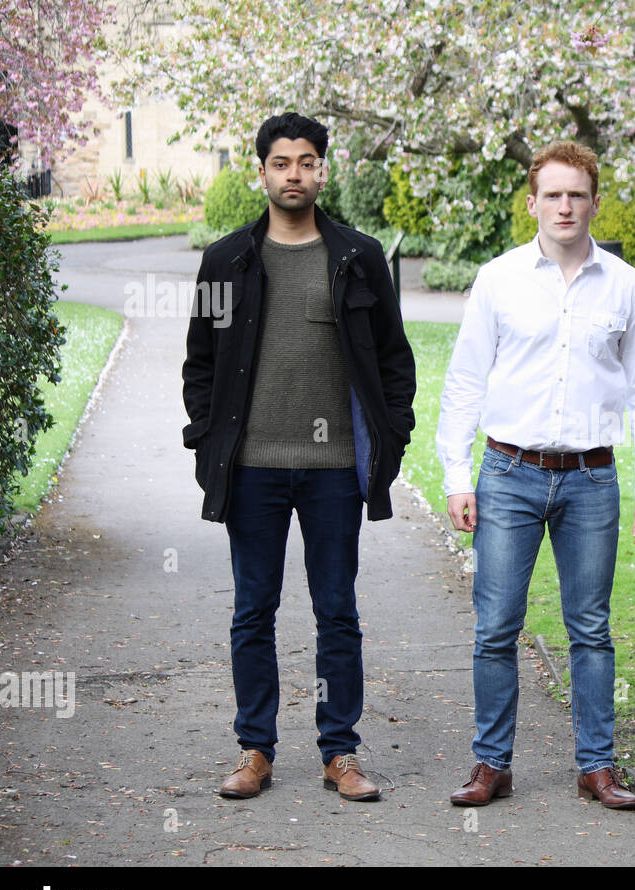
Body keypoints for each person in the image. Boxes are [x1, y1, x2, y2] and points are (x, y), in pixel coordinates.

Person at [182, 112, 416, 801]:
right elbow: (200, 361)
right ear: (262, 172)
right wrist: (208, 435)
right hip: (252, 468)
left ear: (322, 170)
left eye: (306, 162)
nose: (294, 174)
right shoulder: (226, 260)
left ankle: (339, 752)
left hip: (335, 468)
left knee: (336, 610)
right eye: (281, 163)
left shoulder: (357, 255)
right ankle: (255, 750)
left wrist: (391, 432)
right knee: (253, 609)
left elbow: (393, 358)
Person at [436, 141, 635, 810]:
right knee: (495, 626)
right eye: (553, 194)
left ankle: (597, 767)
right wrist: (457, 474)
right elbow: (465, 381)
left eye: (578, 194)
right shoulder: (499, 279)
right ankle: (491, 764)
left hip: (592, 481)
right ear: (532, 202)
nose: (566, 206)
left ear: (595, 202)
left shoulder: (627, 285)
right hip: (508, 474)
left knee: (590, 629)